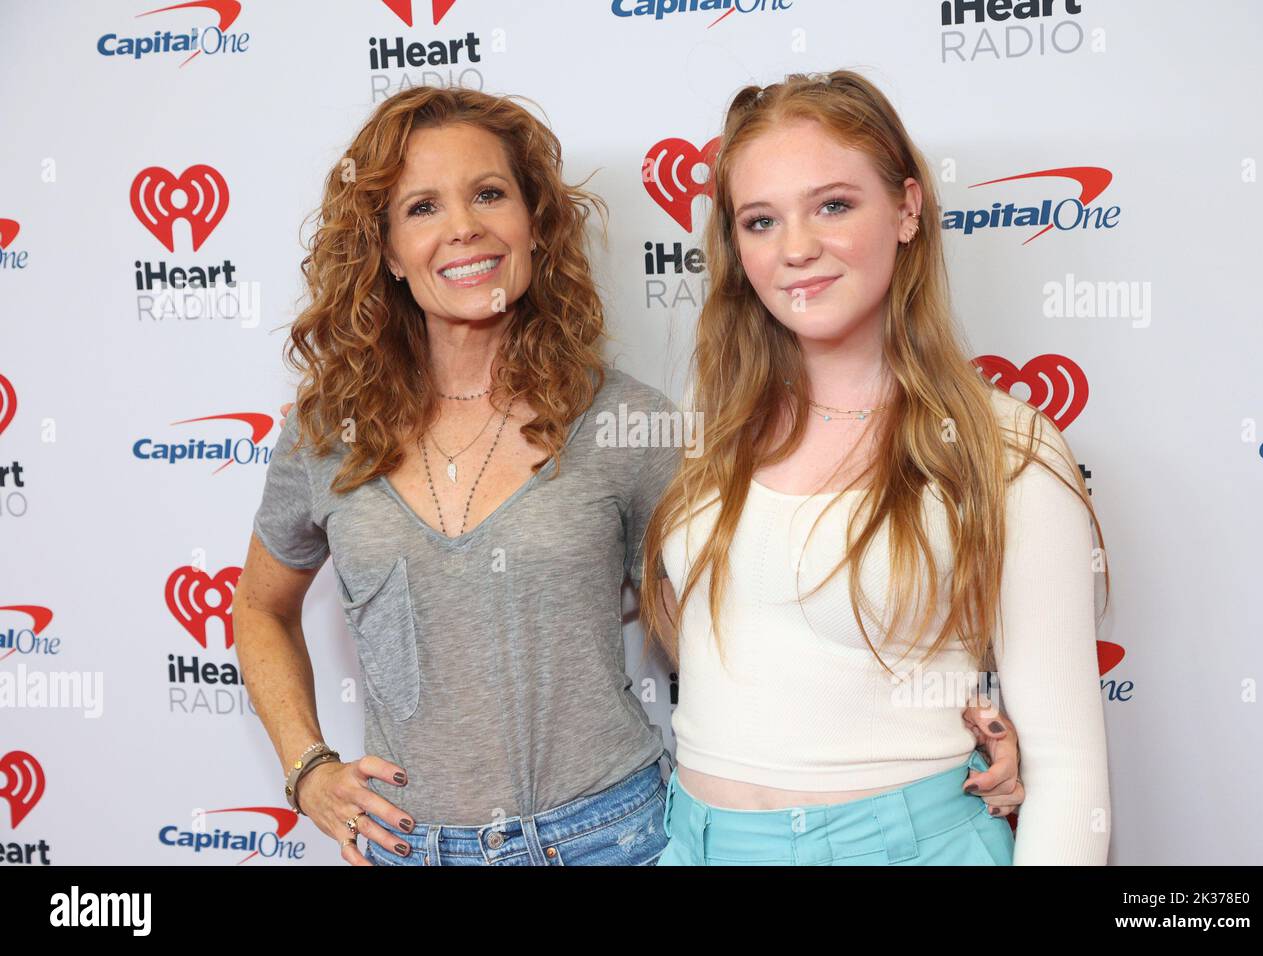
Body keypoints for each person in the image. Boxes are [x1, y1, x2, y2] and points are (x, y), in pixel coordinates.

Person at [232, 84, 1023, 867]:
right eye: (422, 208)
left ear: (535, 225)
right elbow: (259, 609)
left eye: (489, 194)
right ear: (387, 251)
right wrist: (309, 771)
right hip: (406, 845)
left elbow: (747, 624)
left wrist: (948, 733)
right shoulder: (325, 434)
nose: (464, 229)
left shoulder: (628, 424)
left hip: (616, 840)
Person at [639, 71, 1111, 866]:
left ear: (906, 208)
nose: (795, 249)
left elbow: (1067, 768)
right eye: (761, 220)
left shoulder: (1005, 448)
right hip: (698, 843)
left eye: (832, 205)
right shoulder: (713, 430)